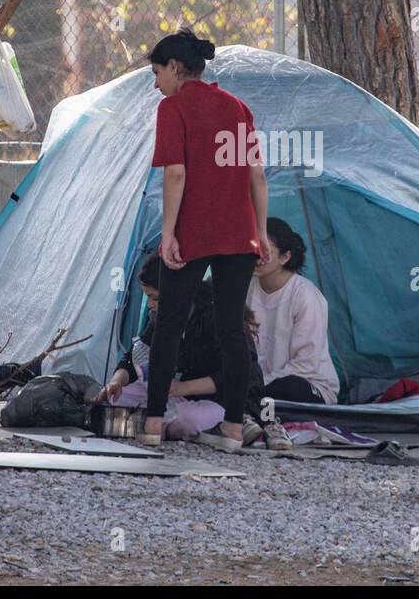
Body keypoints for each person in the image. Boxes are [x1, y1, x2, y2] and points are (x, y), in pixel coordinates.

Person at [145, 28, 269, 453]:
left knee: (169, 327)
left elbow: (175, 173)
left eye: (157, 71)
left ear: (176, 68)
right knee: (232, 329)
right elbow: (256, 175)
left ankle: (153, 423)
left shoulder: (172, 108)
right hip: (238, 234)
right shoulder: (238, 108)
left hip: (194, 233)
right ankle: (234, 429)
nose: (156, 81)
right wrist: (261, 232)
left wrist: (168, 233)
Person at [94, 254, 284, 446]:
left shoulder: (214, 316)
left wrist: (183, 388)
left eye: (154, 297)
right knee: (117, 398)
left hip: (219, 401)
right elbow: (136, 355)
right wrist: (116, 382)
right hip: (180, 396)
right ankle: (159, 423)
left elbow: (244, 373)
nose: (151, 304)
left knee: (187, 420)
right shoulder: (161, 319)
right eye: (148, 298)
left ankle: (232, 423)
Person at [247, 217, 340, 406]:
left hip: (308, 383)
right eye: (254, 247)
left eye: (265, 250)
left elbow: (306, 365)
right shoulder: (246, 286)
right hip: (257, 383)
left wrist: (256, 384)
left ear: (285, 257)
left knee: (287, 389)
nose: (257, 256)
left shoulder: (306, 296)